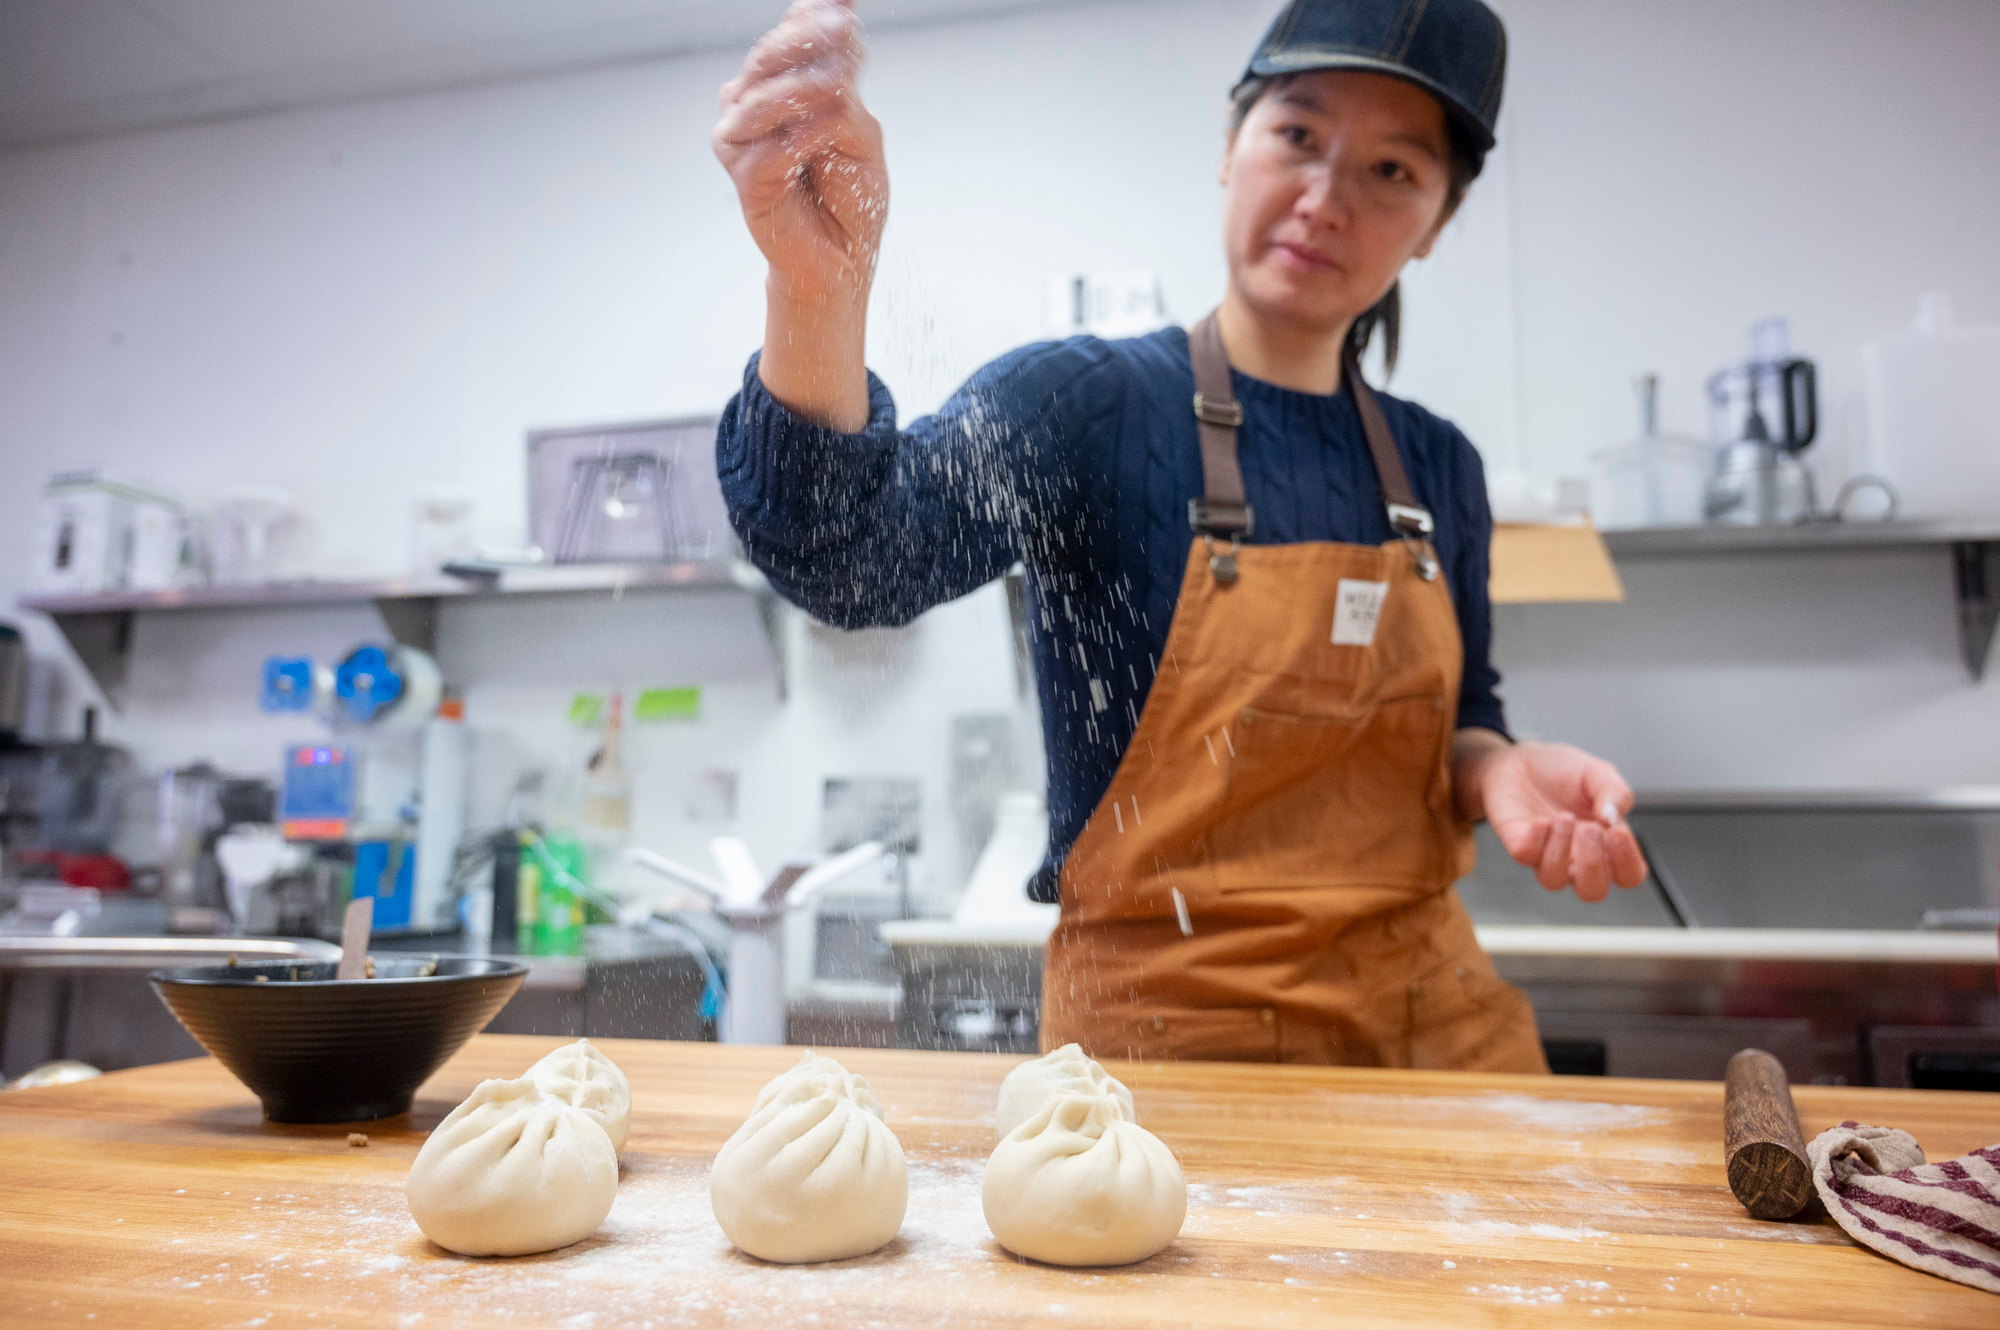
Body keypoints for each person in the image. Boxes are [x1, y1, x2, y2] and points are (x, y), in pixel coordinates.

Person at [712, 0, 1649, 1071]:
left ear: (1439, 218)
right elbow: (852, 561)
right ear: (1230, 142)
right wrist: (815, 291)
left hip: (1431, 1031)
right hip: (1169, 1050)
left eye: (1391, 170)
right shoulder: (1086, 407)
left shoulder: (1438, 467)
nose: (1324, 199)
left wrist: (1500, 767)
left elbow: (1466, 712)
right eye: (1298, 134)